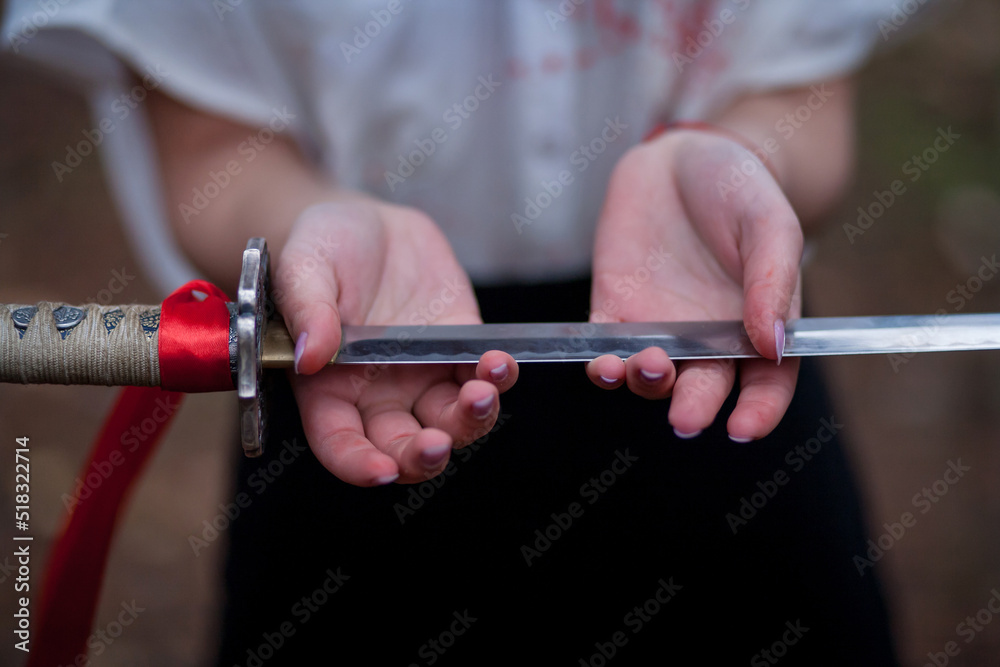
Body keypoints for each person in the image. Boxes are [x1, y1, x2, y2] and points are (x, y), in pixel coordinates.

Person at [6, 1, 916, 663]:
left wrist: (746, 162)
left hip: (705, 366)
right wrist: (305, 226)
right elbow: (210, 147)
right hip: (360, 380)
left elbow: (805, 99)